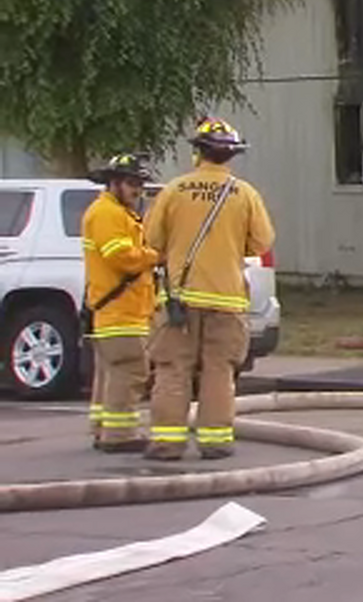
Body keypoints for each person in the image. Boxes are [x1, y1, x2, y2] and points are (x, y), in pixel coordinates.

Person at [143, 117, 275, 460]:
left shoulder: (174, 190)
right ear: (231, 155)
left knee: (173, 370)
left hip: (180, 301)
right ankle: (215, 442)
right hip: (227, 300)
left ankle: (167, 443)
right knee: (219, 371)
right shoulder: (245, 194)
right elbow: (261, 242)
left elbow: (152, 240)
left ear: (198, 152)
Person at [81, 153, 161, 453]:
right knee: (131, 370)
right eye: (131, 183)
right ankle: (119, 435)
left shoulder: (115, 212)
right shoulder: (107, 214)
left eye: (139, 183)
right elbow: (122, 258)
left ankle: (103, 429)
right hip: (121, 311)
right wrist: (156, 256)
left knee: (111, 372)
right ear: (113, 183)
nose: (137, 189)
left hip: (116, 310)